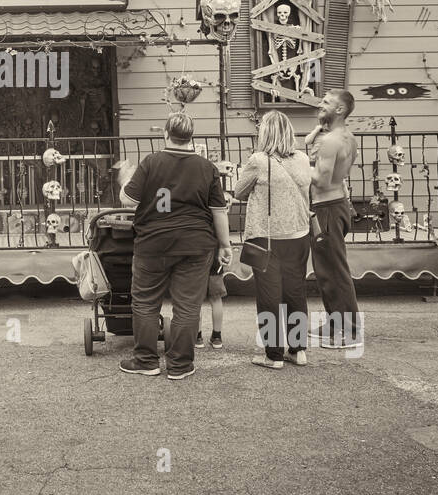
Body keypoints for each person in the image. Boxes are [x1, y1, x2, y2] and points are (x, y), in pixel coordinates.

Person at [118, 112, 233, 380]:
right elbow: (219, 211)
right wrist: (225, 245)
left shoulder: (151, 162)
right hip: (196, 244)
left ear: (165, 134)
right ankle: (180, 365)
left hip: (153, 243)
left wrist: (125, 177)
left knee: (146, 302)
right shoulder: (207, 168)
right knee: (188, 306)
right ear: (191, 137)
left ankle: (146, 360)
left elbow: (127, 200)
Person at [233, 111, 313, 369]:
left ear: (265, 133)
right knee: (296, 293)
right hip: (299, 234)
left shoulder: (258, 160)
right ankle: (298, 350)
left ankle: (273, 355)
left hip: (267, 237)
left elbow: (239, 192)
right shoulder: (303, 158)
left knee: (269, 297)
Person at [304, 89, 362, 348]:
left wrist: (297, 163)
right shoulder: (349, 138)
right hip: (338, 204)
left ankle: (349, 332)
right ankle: (335, 322)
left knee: (333, 272)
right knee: (330, 270)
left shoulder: (330, 142)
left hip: (326, 208)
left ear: (340, 110)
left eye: (326, 102)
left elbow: (322, 179)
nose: (321, 104)